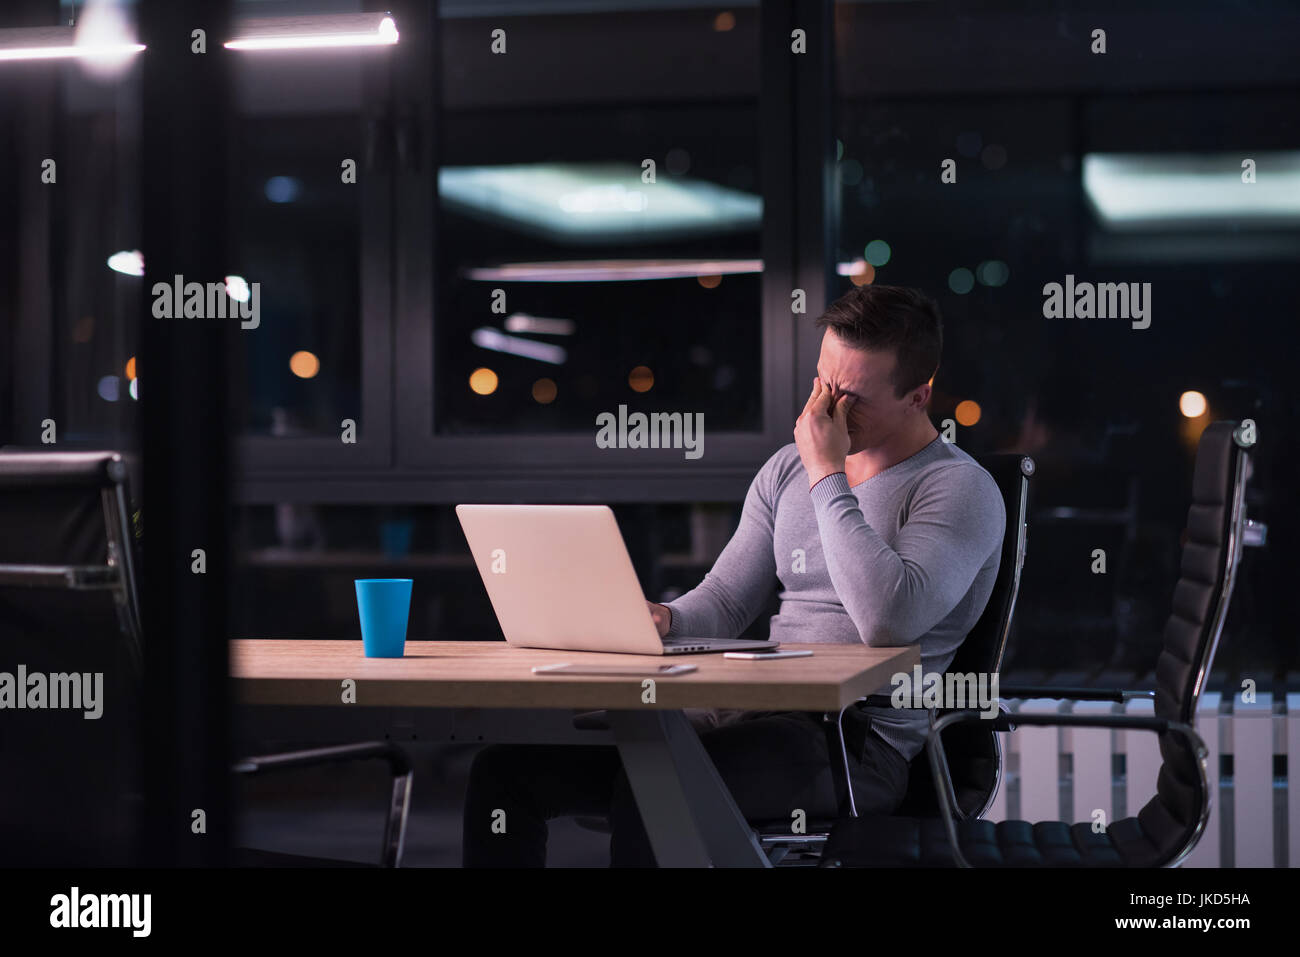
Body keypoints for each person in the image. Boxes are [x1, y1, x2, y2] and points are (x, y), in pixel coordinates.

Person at [462, 284, 1006, 866]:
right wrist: (665, 616)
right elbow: (725, 598)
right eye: (821, 383)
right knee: (506, 773)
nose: (825, 409)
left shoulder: (957, 489)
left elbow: (887, 619)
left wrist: (827, 474)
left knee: (656, 792)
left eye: (851, 397)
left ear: (918, 396)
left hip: (853, 744)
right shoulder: (784, 471)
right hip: (744, 712)